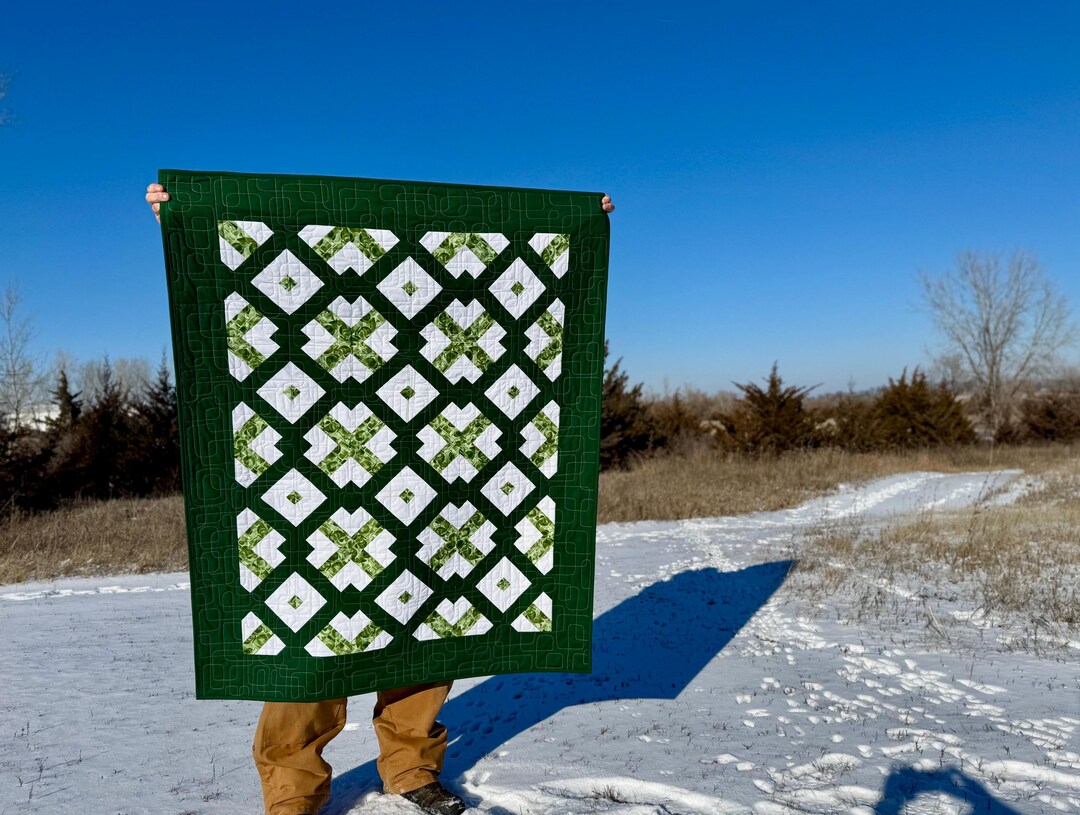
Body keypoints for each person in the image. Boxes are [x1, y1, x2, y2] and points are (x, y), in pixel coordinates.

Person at [145, 181, 614, 815]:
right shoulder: (316, 282)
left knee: (426, 620)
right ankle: (292, 795)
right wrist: (188, 215)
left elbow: (489, 301)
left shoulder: (425, 289)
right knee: (306, 639)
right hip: (311, 476)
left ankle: (411, 767)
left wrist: (576, 227)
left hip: (426, 465)